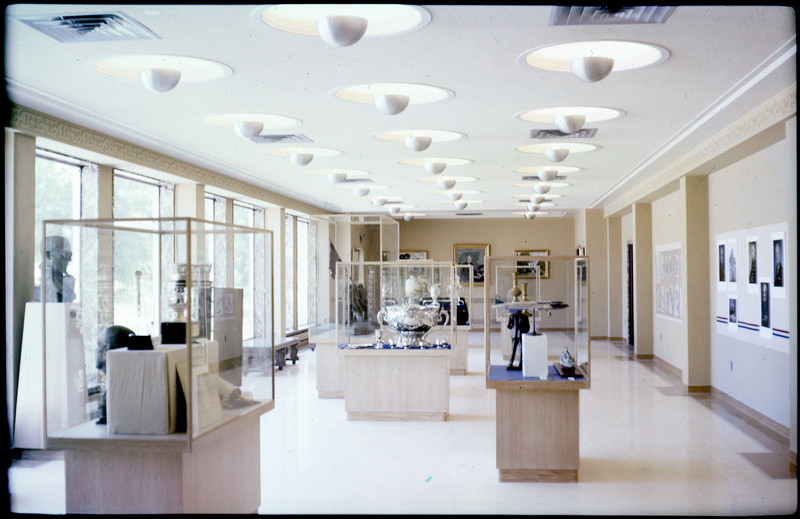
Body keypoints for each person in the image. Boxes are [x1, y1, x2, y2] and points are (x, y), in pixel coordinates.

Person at [35, 235, 76, 303]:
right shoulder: (46, 285)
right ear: (48, 255)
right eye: (65, 255)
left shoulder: (63, 281)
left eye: (70, 255)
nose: (69, 259)